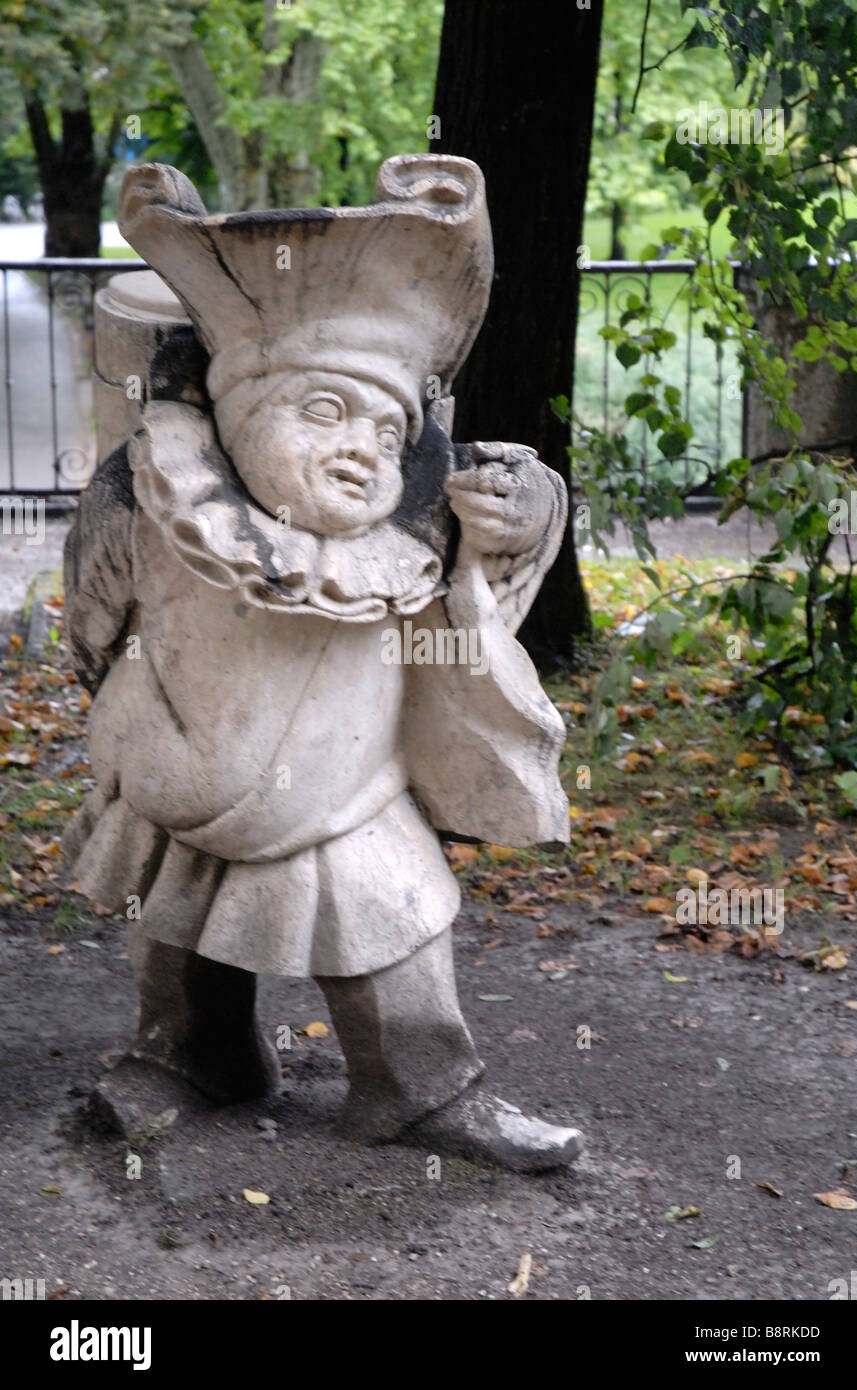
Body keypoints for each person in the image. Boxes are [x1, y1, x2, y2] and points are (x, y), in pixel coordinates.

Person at [63, 156, 581, 1171]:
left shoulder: (416, 520)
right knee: (170, 923)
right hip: (178, 765)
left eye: (388, 429)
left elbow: (496, 567)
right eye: (324, 411)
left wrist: (518, 519)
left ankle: (420, 1087)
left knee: (392, 915)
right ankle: (191, 1054)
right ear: (237, 412)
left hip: (346, 785)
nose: (362, 448)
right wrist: (126, 717)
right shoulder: (146, 496)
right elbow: (93, 613)